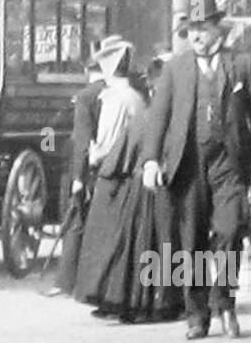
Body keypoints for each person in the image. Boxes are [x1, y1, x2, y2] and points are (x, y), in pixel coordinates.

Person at [140, 0, 251, 339]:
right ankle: (197, 315)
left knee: (230, 232)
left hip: (229, 164)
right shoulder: (175, 69)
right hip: (187, 163)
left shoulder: (242, 65)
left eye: (202, 28)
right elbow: (159, 118)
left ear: (219, 29)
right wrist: (151, 160)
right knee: (191, 241)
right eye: (191, 29)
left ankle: (225, 303)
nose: (196, 35)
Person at [71, 39, 183, 323]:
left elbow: (120, 147)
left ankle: (135, 300)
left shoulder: (136, 106)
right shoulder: (144, 104)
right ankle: (156, 300)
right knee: (152, 244)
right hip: (151, 181)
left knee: (136, 244)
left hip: (136, 180)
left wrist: (96, 164)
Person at [45, 39, 113, 298]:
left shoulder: (85, 96)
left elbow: (82, 141)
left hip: (85, 167)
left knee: (75, 221)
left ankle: (65, 282)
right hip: (112, 166)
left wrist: (77, 178)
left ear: (88, 71)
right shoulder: (119, 92)